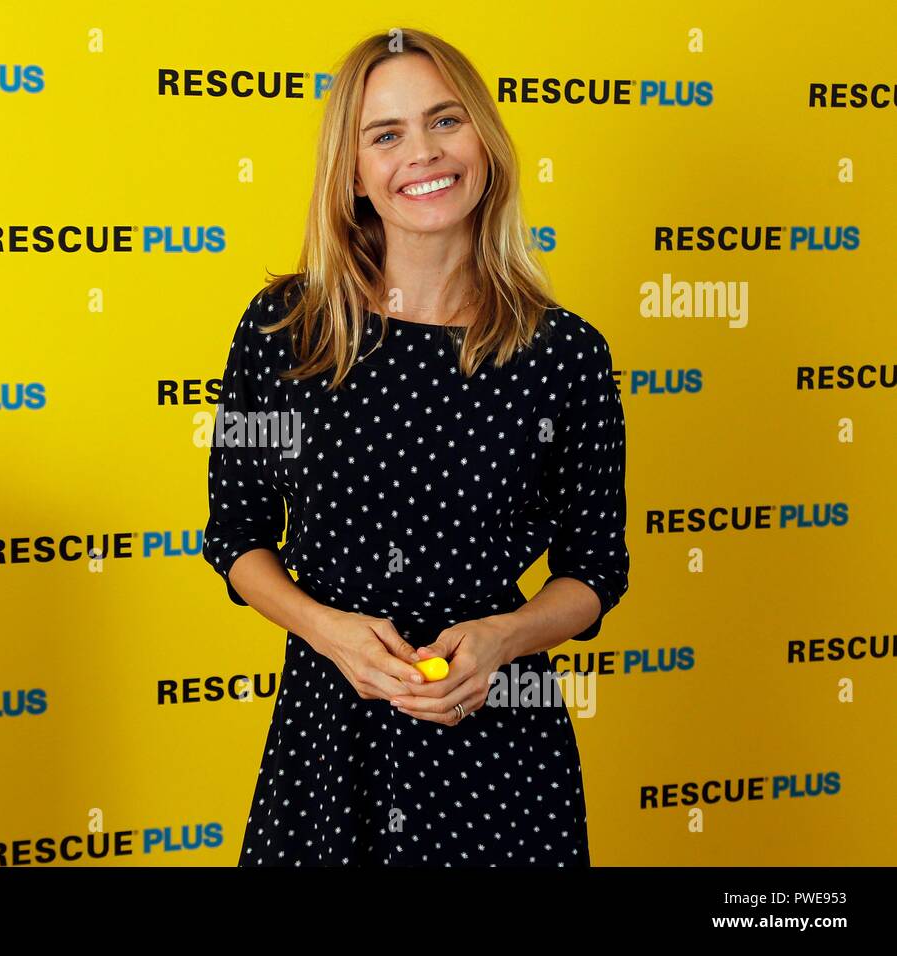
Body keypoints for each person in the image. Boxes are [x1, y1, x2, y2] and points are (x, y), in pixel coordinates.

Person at [201, 29, 628, 866]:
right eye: (385, 134)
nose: (423, 153)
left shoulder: (566, 352)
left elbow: (595, 571)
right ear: (352, 172)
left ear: (485, 143)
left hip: (504, 746)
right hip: (328, 739)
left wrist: (504, 640)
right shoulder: (286, 330)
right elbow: (235, 537)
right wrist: (328, 632)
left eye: (446, 120)